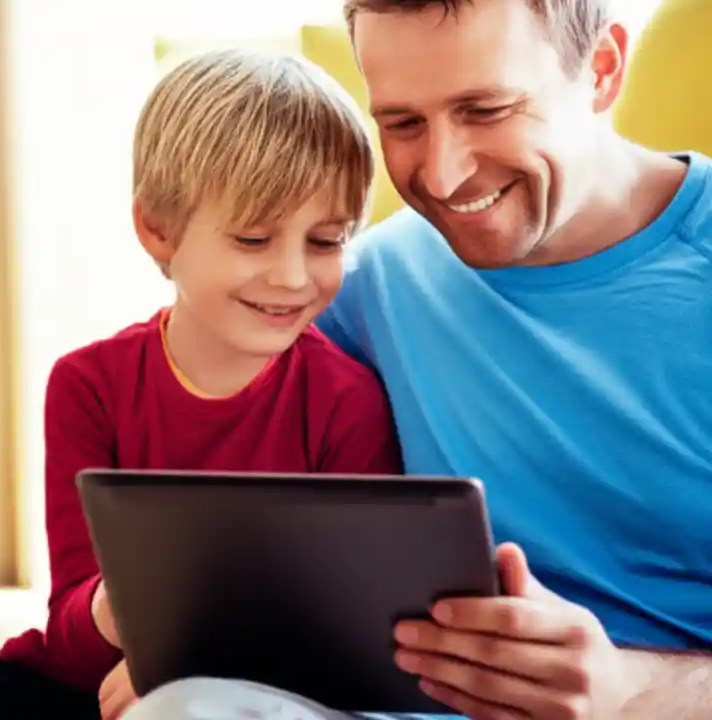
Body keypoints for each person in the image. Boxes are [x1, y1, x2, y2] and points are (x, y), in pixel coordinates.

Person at [0, 48, 403, 720]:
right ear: (158, 230)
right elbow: (72, 639)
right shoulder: (89, 385)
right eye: (253, 239)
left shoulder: (345, 398)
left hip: (238, 700)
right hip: (81, 698)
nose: (291, 276)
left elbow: (354, 637)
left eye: (327, 241)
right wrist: (120, 606)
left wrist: (192, 665)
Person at [125, 1, 712, 718]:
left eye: (487, 109)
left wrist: (632, 690)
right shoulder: (360, 288)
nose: (442, 174)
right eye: (402, 123)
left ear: (601, 69)